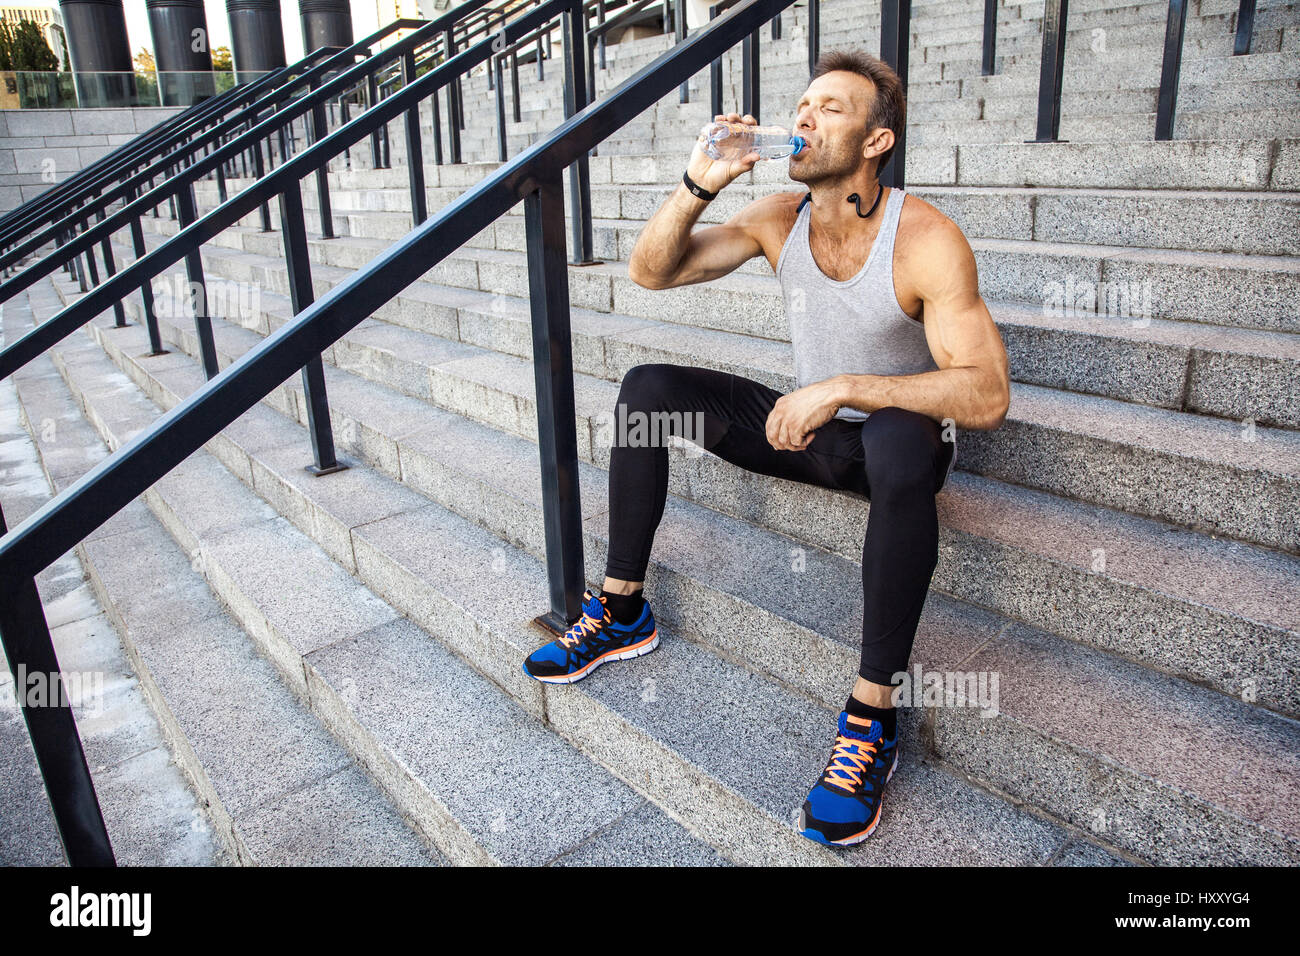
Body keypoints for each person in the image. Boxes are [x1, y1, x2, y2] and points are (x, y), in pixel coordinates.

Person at [522, 48, 1010, 847]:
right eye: (805, 103)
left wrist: (849, 386)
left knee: (893, 436)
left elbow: (987, 393)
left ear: (876, 142)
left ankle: (870, 714)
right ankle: (619, 609)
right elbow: (652, 273)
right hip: (804, 432)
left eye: (833, 108)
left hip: (891, 448)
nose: (806, 117)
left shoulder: (923, 238)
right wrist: (700, 182)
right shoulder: (777, 215)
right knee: (648, 388)